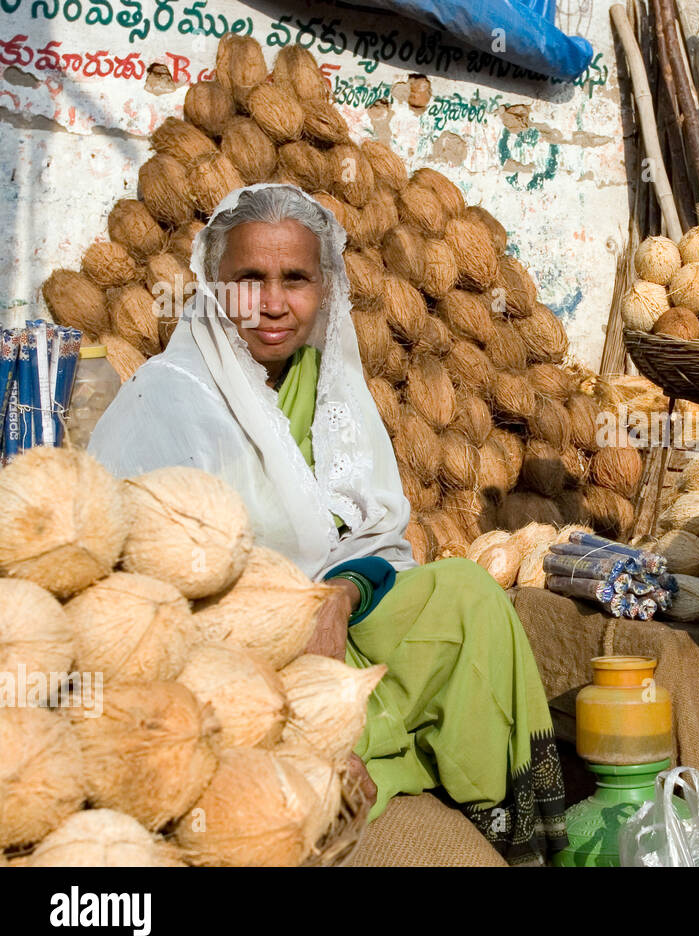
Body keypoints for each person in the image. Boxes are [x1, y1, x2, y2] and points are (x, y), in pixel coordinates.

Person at [88, 184, 567, 865]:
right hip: (228, 662)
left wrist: (336, 599)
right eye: (249, 279)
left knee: (466, 595)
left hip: (332, 638)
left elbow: (376, 542)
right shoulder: (168, 398)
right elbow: (136, 600)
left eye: (296, 280)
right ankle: (338, 752)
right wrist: (285, 638)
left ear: (326, 288)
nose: (274, 304)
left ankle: (503, 821)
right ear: (213, 285)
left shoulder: (331, 389)